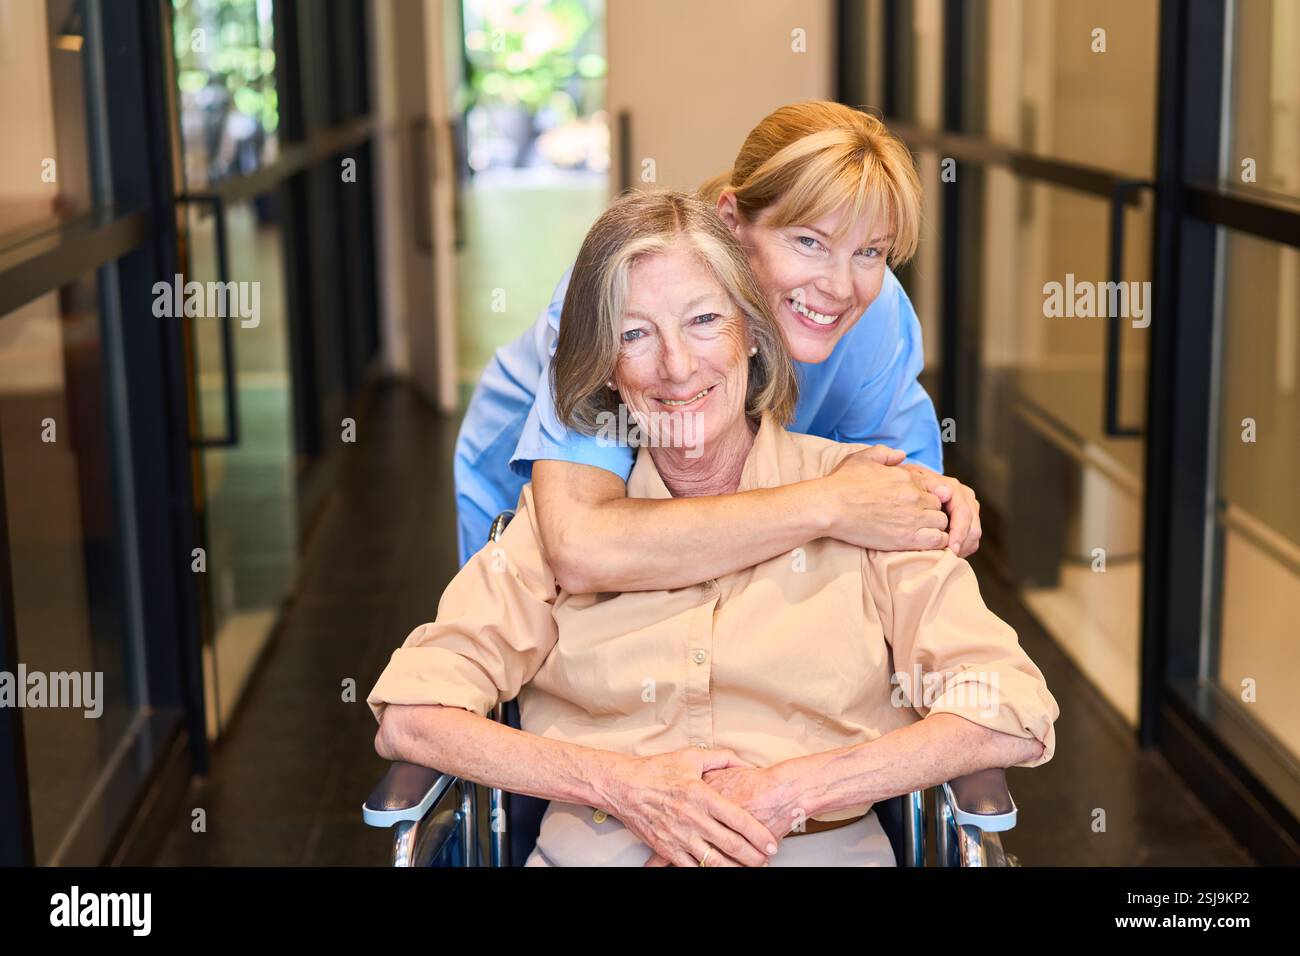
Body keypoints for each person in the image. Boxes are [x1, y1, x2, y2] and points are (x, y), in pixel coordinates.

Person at [370, 192, 1058, 867]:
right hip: (601, 845)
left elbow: (1007, 704)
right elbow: (412, 714)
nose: (675, 367)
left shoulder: (867, 497)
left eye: (703, 321)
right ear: (606, 365)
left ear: (753, 335)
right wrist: (623, 786)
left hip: (817, 846)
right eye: (635, 334)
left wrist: (789, 792)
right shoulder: (559, 525)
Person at [453, 101, 982, 592]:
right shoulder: (629, 287)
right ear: (732, 221)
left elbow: (898, 499)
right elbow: (582, 545)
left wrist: (939, 503)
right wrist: (827, 502)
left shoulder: (876, 315)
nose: (841, 287)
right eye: (808, 242)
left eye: (870, 251)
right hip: (527, 474)